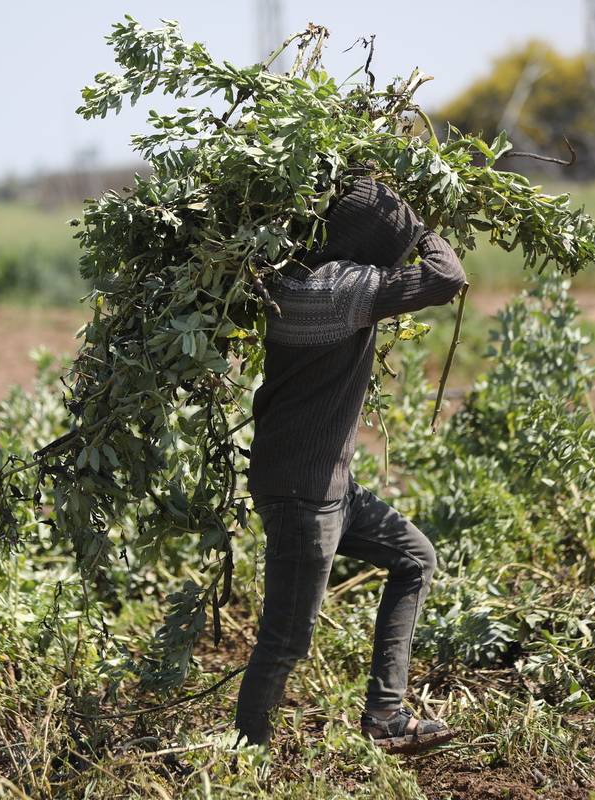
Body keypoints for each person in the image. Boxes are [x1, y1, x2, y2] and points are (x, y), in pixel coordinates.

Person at [235, 177, 466, 753]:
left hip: (326, 486)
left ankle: (385, 716)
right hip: (304, 494)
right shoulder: (340, 288)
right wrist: (422, 229)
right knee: (286, 640)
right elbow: (446, 277)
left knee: (415, 557)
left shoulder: (293, 276)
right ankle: (246, 755)